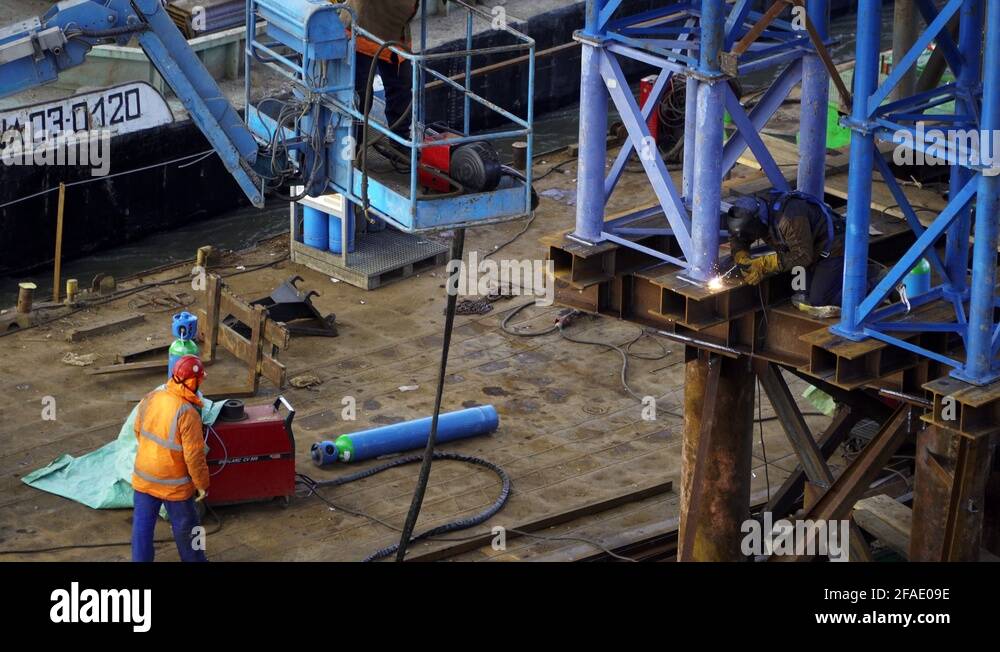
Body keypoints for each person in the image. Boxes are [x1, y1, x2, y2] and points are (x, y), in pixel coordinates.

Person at [131, 355, 210, 562]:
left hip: (143, 477)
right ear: (192, 382)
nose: (200, 384)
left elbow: (138, 430)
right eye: (199, 380)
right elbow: (194, 457)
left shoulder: (152, 397)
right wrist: (202, 484)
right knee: (189, 530)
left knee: (141, 529)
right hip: (174, 486)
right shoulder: (188, 413)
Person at [727, 190, 850, 307]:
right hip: (806, 250)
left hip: (832, 249)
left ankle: (867, 285)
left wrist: (765, 264)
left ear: (758, 222)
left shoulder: (789, 219)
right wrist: (741, 255)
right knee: (801, 294)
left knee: (820, 301)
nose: (745, 237)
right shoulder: (754, 215)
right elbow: (738, 238)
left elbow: (803, 256)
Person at [339, 0, 424, 138]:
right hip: (362, 29)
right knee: (360, 94)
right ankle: (353, 145)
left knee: (401, 88)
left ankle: (399, 142)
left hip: (396, 34)